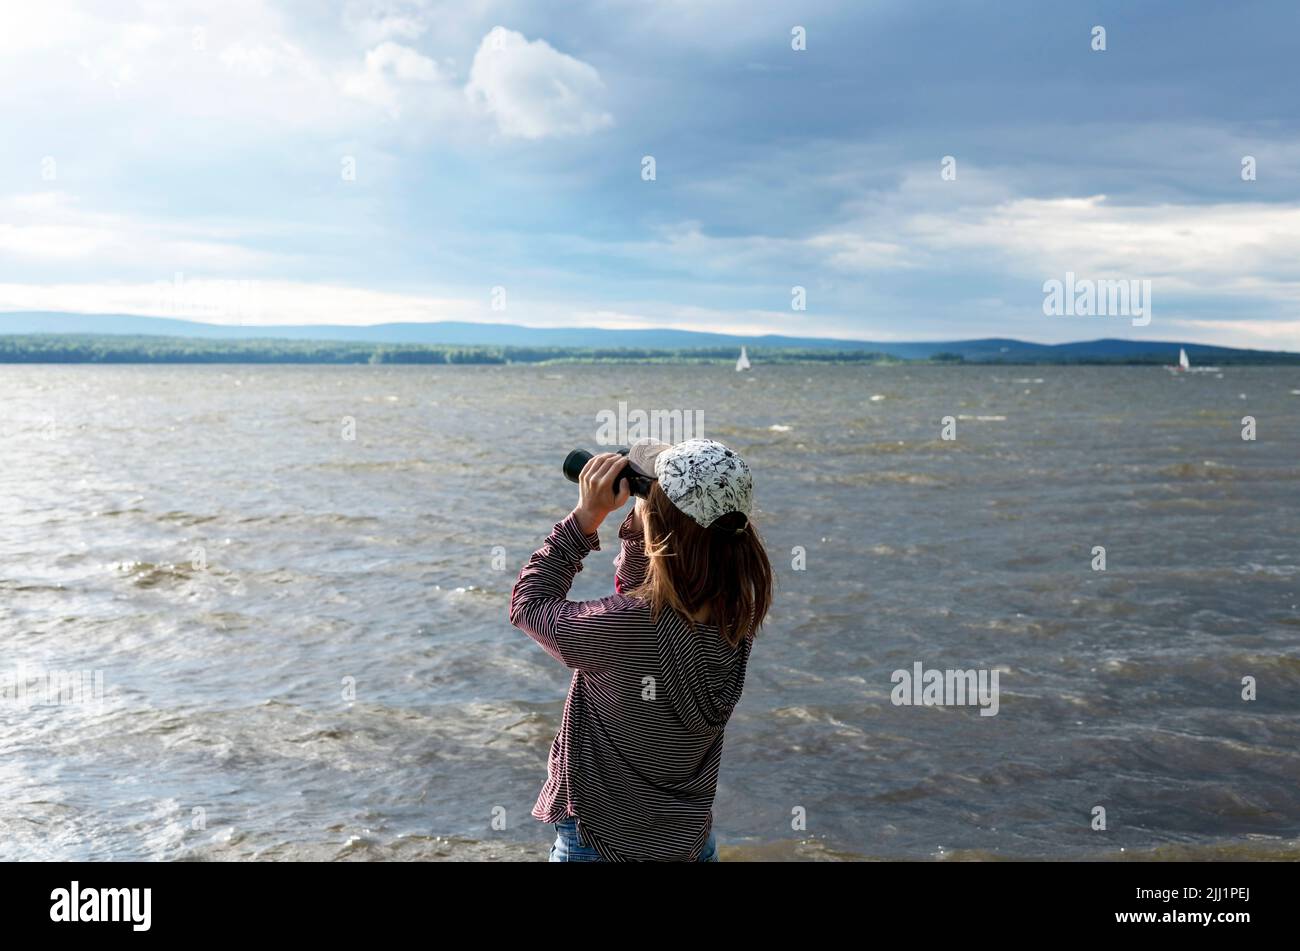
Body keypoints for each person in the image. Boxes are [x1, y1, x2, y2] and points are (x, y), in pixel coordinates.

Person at [509, 437, 773, 861]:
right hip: (685, 841)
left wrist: (584, 520)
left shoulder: (631, 625)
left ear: (664, 528)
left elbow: (530, 605)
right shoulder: (736, 613)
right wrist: (644, 518)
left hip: (603, 842)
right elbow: (640, 587)